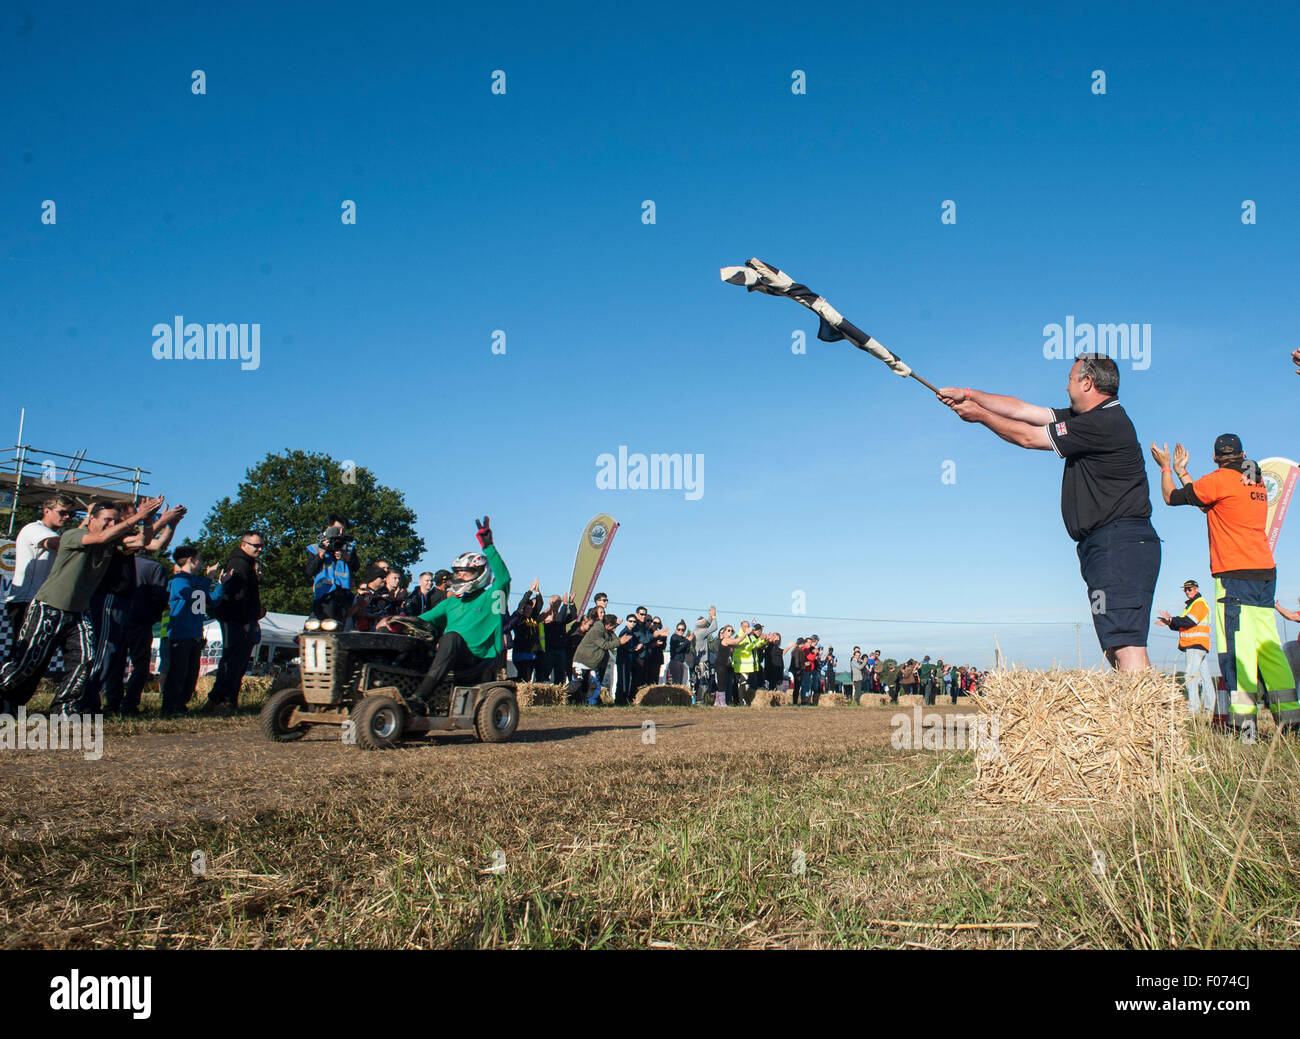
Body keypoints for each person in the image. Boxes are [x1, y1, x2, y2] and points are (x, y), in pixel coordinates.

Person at [941, 354, 1159, 670]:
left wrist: (980, 416)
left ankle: (1142, 719)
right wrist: (970, 395)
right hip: (1104, 544)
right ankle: (1135, 717)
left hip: (1119, 542)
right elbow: (1022, 411)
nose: (1067, 386)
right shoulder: (1085, 417)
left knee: (1126, 646)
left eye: (1071, 379)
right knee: (1115, 645)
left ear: (1087, 382)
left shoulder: (1104, 422)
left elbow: (1029, 437)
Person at [1154, 436, 1298, 737]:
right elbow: (1210, 504)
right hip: (1265, 573)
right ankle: (1293, 722)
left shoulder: (1219, 480)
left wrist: (1168, 468)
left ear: (1216, 457)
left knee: (1239, 651)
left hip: (1235, 576)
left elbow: (1172, 498)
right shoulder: (1253, 480)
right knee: (1268, 647)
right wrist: (1185, 474)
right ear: (1242, 454)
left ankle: (1244, 728)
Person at [0, 496, 168, 715]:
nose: (111, 525)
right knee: (29, 662)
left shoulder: (110, 542)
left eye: (115, 521)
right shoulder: (74, 535)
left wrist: (147, 521)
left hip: (78, 611)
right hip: (49, 607)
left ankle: (64, 709)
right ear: (91, 519)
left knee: (84, 661)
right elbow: (99, 539)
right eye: (107, 520)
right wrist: (138, 516)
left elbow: (143, 542)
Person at [409, 517, 509, 708]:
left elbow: (503, 578)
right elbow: (420, 620)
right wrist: (392, 622)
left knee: (451, 637)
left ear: (480, 574)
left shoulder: (492, 599)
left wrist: (488, 546)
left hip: (476, 659)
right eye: (457, 572)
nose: (460, 577)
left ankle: (420, 698)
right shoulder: (451, 603)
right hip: (449, 655)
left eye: (466, 573)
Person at [3, 494, 73, 662]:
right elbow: (54, 543)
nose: (67, 517)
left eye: (71, 514)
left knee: (35, 655)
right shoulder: (34, 528)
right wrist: (84, 533)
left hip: (41, 601)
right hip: (25, 601)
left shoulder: (55, 533)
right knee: (23, 652)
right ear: (46, 511)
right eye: (62, 512)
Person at [161, 545, 225, 717]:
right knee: (178, 673)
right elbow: (197, 596)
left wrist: (219, 584)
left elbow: (212, 600)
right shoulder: (180, 581)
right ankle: (170, 707)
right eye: (200, 559)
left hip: (194, 634)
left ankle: (181, 705)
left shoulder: (195, 581)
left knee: (191, 674)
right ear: (191, 560)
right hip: (181, 634)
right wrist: (208, 579)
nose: (202, 563)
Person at [205, 530, 264, 713]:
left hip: (239, 618)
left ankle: (222, 698)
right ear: (244, 544)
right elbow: (237, 595)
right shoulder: (239, 563)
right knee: (234, 661)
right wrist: (246, 619)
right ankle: (223, 699)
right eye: (256, 546)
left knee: (235, 660)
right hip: (236, 619)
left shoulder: (247, 564)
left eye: (262, 546)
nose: (260, 549)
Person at [107, 552, 171, 716]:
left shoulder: (114, 564)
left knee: (115, 662)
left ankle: (112, 702)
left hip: (117, 618)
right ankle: (130, 703)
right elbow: (160, 597)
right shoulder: (154, 567)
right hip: (141, 621)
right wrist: (153, 617)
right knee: (141, 664)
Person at [1156, 579, 1215, 718]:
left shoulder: (1199, 604)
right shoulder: (1191, 605)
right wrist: (1169, 622)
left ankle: (1193, 710)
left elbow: (1189, 622)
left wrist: (1171, 620)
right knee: (1205, 678)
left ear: (1196, 589)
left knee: (1189, 676)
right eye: (1186, 590)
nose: (1187, 592)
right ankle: (1209, 710)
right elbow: (1181, 624)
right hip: (1196, 645)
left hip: (1196, 644)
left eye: (1190, 589)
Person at [567, 613, 632, 705]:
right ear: (608, 625)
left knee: (595, 685)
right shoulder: (596, 631)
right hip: (581, 662)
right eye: (613, 626)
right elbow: (605, 645)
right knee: (578, 682)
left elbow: (614, 639)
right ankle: (563, 695)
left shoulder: (607, 630)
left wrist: (617, 636)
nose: (615, 629)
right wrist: (620, 642)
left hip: (592, 664)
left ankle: (591, 703)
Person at [305, 514, 360, 621]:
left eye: (343, 531)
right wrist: (321, 554)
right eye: (337, 530)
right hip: (324, 594)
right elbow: (309, 571)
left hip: (343, 594)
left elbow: (356, 567)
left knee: (339, 626)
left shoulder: (348, 548)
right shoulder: (315, 548)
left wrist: (346, 557)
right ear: (329, 528)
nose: (340, 534)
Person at [667, 621, 691, 685]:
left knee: (680, 682)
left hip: (681, 662)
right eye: (679, 629)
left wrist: (688, 642)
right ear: (676, 629)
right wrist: (686, 642)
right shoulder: (674, 637)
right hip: (675, 661)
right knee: (676, 682)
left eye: (682, 630)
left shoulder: (683, 639)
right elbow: (677, 650)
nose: (681, 631)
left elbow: (687, 651)